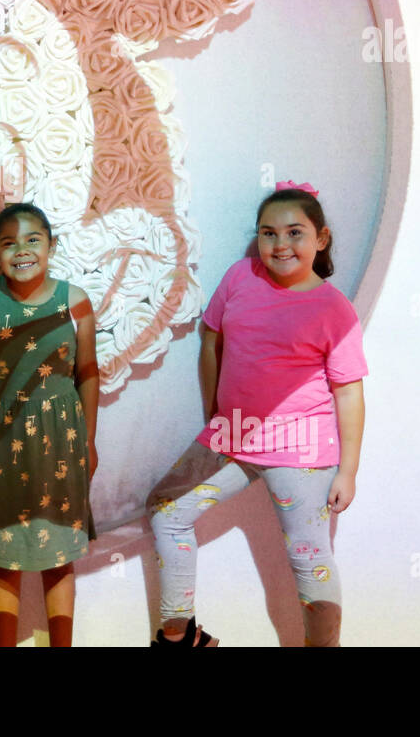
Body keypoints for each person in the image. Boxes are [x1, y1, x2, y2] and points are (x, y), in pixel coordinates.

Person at [147, 182, 367, 648]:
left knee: (308, 558)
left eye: (294, 233)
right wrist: (214, 411)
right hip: (233, 435)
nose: (280, 245)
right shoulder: (239, 277)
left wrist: (348, 470)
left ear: (320, 239)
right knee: (167, 511)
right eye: (268, 234)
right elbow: (212, 341)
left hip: (301, 451)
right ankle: (179, 634)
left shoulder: (334, 309)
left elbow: (348, 393)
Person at [0, 202, 99, 647]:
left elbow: (89, 373)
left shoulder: (74, 300)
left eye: (33, 239)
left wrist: (90, 442)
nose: (22, 250)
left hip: (61, 439)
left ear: (51, 246)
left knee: (58, 551)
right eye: (8, 243)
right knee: (4, 550)